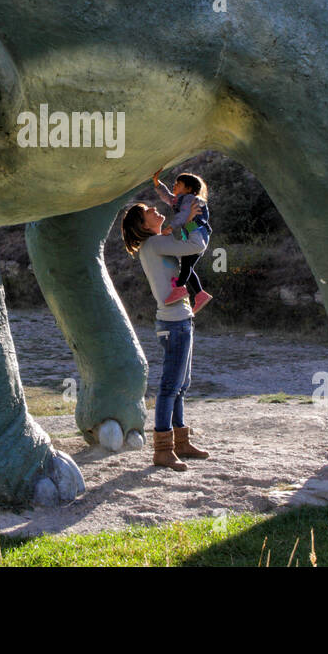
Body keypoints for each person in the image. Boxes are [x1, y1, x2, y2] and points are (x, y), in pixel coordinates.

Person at [121, 202, 212, 471]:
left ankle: (180, 442)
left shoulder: (160, 242)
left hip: (181, 320)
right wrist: (197, 221)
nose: (155, 210)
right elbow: (196, 246)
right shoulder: (154, 245)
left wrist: (187, 222)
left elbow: (183, 243)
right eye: (148, 211)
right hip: (174, 324)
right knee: (170, 386)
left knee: (181, 385)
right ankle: (163, 449)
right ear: (143, 224)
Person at [151, 170, 214, 314]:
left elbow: (185, 215)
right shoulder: (180, 199)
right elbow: (167, 197)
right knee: (187, 266)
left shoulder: (191, 199)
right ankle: (200, 294)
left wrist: (171, 227)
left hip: (197, 233)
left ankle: (179, 287)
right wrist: (157, 183)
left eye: (178, 184)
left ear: (189, 189)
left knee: (186, 265)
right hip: (194, 234)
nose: (174, 185)